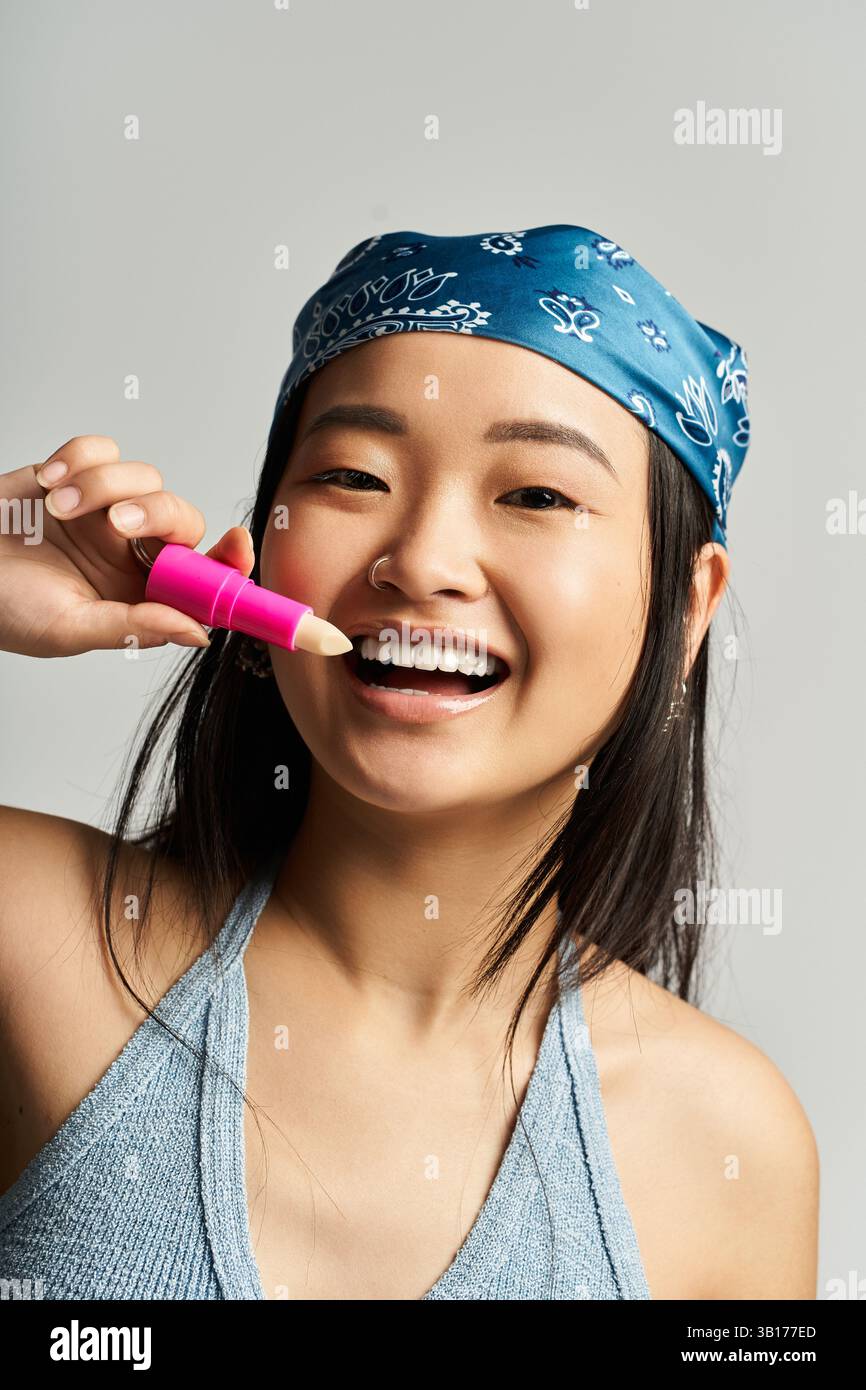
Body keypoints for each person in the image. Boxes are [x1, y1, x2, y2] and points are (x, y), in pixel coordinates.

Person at [0, 225, 818, 1300]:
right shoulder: (29, 942)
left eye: (535, 495)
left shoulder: (728, 1149)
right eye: (352, 475)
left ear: (684, 605)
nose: (422, 559)